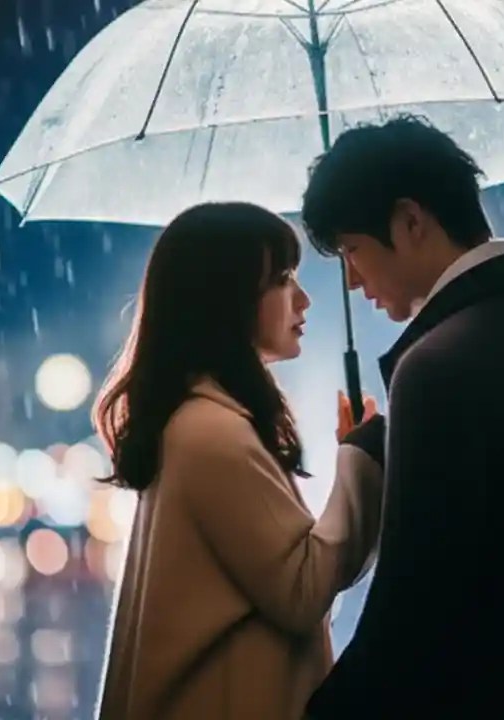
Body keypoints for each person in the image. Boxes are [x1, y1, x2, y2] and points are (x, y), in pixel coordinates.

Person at [300, 115, 504, 718]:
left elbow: (414, 612)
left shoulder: (438, 366)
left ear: (409, 220)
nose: (352, 280)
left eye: (353, 250)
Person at [92, 202, 386, 720]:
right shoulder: (212, 434)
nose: (304, 299)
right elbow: (301, 591)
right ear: (226, 300)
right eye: (282, 280)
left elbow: (300, 582)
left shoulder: (206, 421)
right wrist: (359, 461)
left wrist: (357, 461)